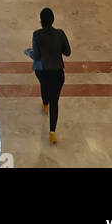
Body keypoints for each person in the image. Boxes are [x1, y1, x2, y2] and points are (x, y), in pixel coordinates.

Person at [29, 7, 71, 144]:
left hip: (42, 72)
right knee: (55, 101)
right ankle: (52, 132)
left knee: (44, 86)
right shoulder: (60, 33)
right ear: (53, 20)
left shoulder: (37, 35)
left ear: (41, 21)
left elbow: (36, 56)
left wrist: (27, 52)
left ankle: (44, 103)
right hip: (58, 73)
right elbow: (67, 52)